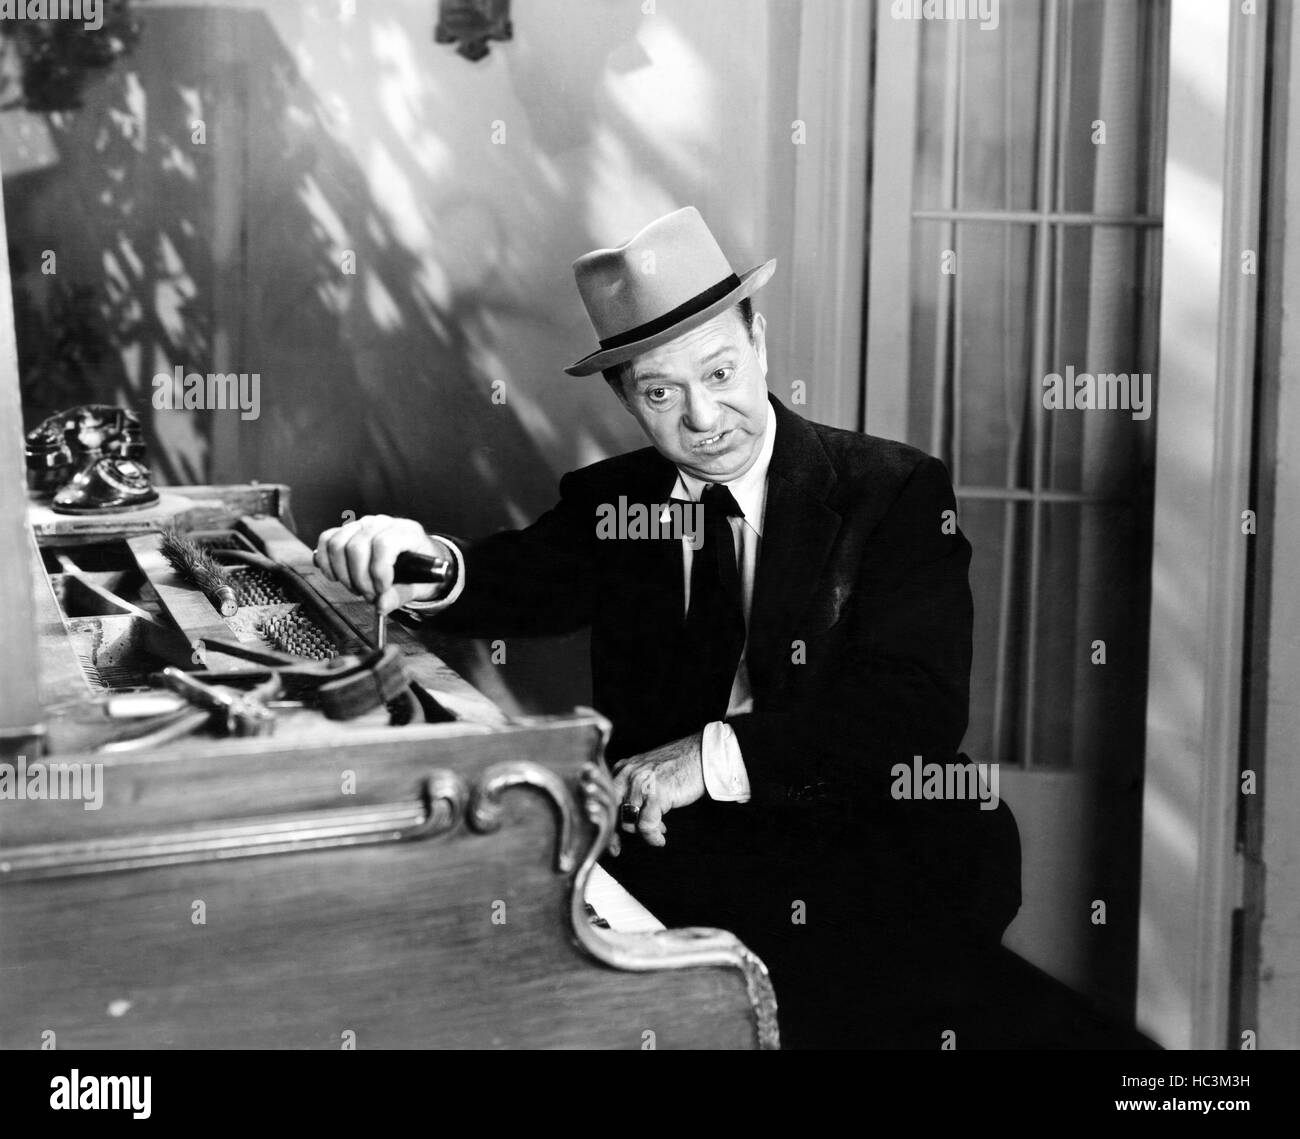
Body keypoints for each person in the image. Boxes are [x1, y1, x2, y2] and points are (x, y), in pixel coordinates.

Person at [314, 206, 1020, 1048]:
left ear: (759, 344)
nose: (703, 417)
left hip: (876, 868)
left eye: (720, 373)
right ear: (624, 396)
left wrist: (708, 757)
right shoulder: (618, 501)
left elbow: (914, 709)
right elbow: (510, 580)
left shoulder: (893, 492)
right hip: (688, 867)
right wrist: (413, 556)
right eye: (661, 392)